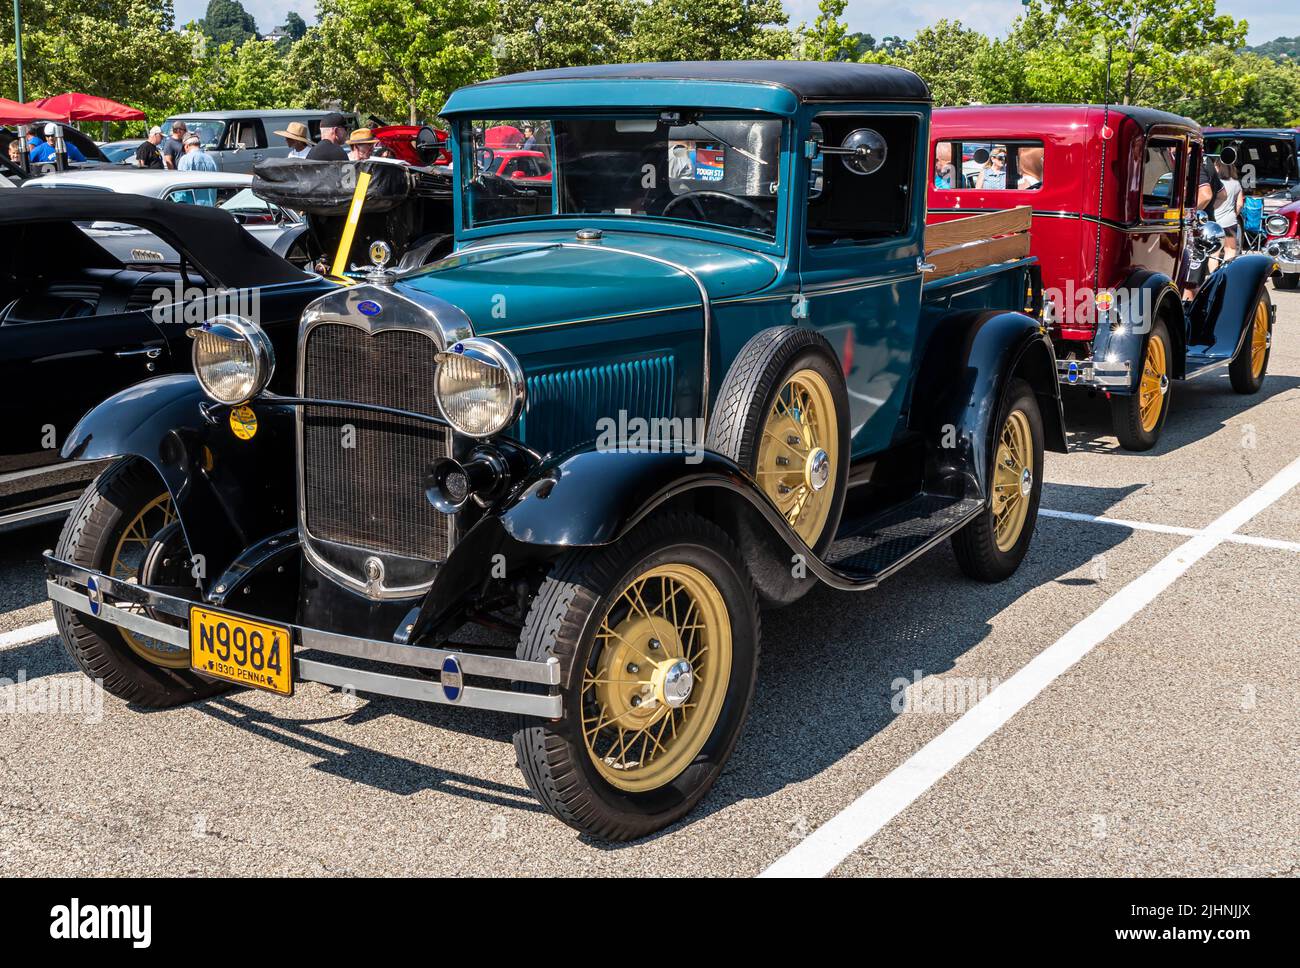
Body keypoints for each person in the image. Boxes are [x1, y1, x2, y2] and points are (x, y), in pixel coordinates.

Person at [1213, 158, 1243, 260]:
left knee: (1214, 252)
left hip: (1215, 220)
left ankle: (1214, 274)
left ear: (1219, 167)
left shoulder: (1216, 183)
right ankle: (1225, 273)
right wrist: (1234, 214)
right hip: (1230, 221)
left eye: (1215, 166)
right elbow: (1239, 204)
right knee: (1230, 250)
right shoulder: (1236, 183)